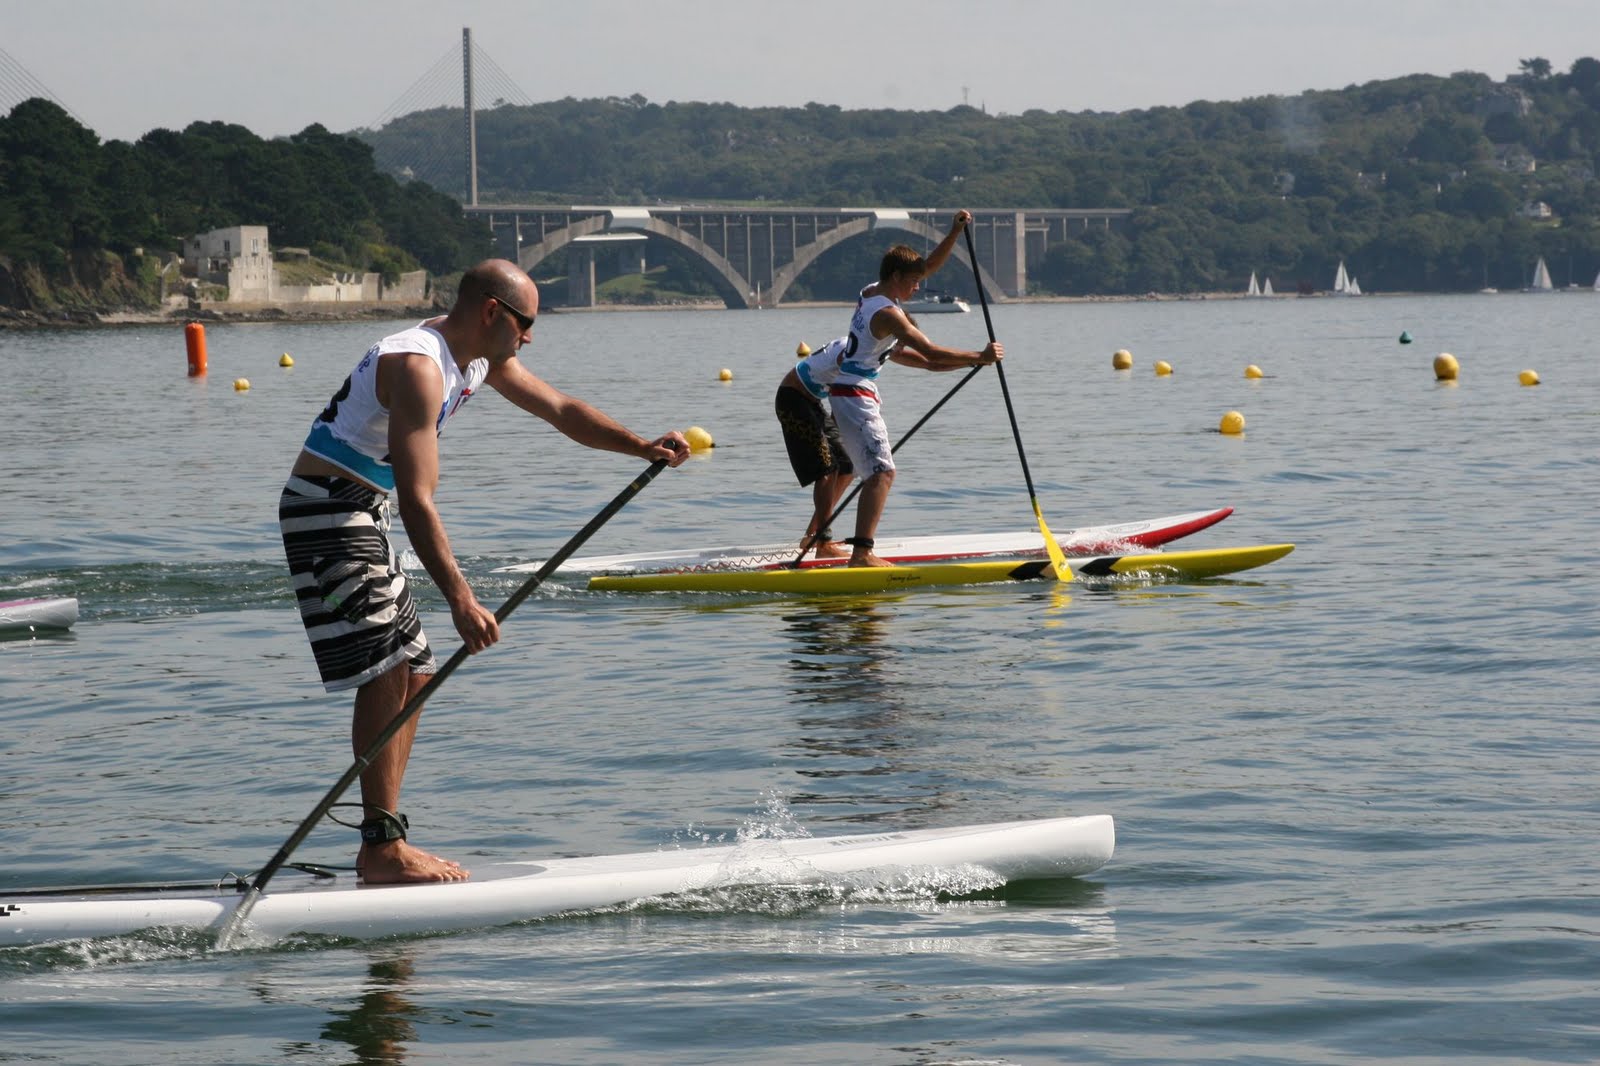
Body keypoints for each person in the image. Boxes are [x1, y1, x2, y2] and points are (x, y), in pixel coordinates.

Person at [279, 259, 689, 884]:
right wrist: (462, 599)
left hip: (363, 509)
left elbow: (560, 408)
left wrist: (640, 446)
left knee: (417, 671)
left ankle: (382, 842)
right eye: (526, 323)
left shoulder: (475, 358)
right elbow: (418, 498)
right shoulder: (419, 366)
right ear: (492, 312)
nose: (530, 338)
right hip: (327, 509)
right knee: (389, 665)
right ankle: (382, 847)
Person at [827, 210, 1003, 567]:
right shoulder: (890, 315)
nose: (918, 287)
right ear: (895, 277)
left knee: (872, 471)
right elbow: (931, 352)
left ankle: (831, 541)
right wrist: (979, 355)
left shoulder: (870, 291)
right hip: (855, 396)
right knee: (882, 473)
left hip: (848, 392)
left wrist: (954, 232)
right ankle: (862, 554)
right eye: (912, 282)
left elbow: (926, 269)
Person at [775, 335, 854, 559]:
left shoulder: (870, 348)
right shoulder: (854, 346)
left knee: (847, 466)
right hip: (793, 401)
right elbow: (844, 369)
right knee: (827, 469)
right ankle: (823, 542)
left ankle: (812, 535)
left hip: (813, 404)